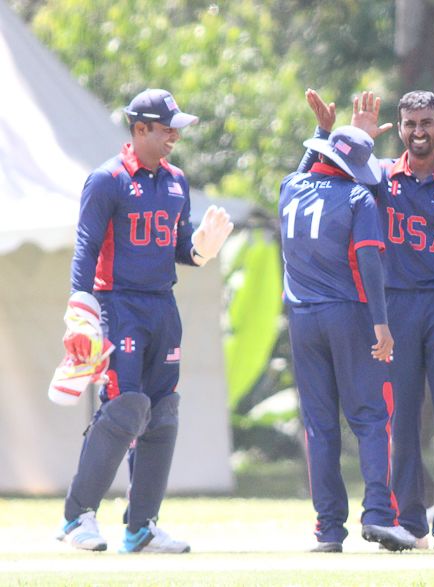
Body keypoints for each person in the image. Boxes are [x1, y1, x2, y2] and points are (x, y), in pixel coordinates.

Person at [302, 89, 434, 549]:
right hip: (395, 309)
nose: (418, 132)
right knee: (400, 418)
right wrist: (343, 135)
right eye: (410, 124)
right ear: (400, 128)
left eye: (427, 123)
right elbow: (318, 180)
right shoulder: (380, 176)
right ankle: (410, 521)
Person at [57, 89, 233, 553]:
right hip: (118, 306)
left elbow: (180, 249)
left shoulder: (176, 180)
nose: (174, 135)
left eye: (176, 127)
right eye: (166, 127)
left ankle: (141, 526)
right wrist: (81, 313)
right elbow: (86, 248)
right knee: (125, 406)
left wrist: (201, 250)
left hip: (162, 306)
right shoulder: (107, 179)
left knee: (162, 412)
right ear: (140, 130)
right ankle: (78, 517)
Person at [281, 124, 418, 553]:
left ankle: (327, 530)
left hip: (301, 319)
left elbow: (304, 166)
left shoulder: (290, 187)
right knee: (370, 419)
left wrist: (323, 130)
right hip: (347, 314)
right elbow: (369, 261)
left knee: (320, 427)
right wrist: (381, 323)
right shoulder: (359, 198)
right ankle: (378, 515)